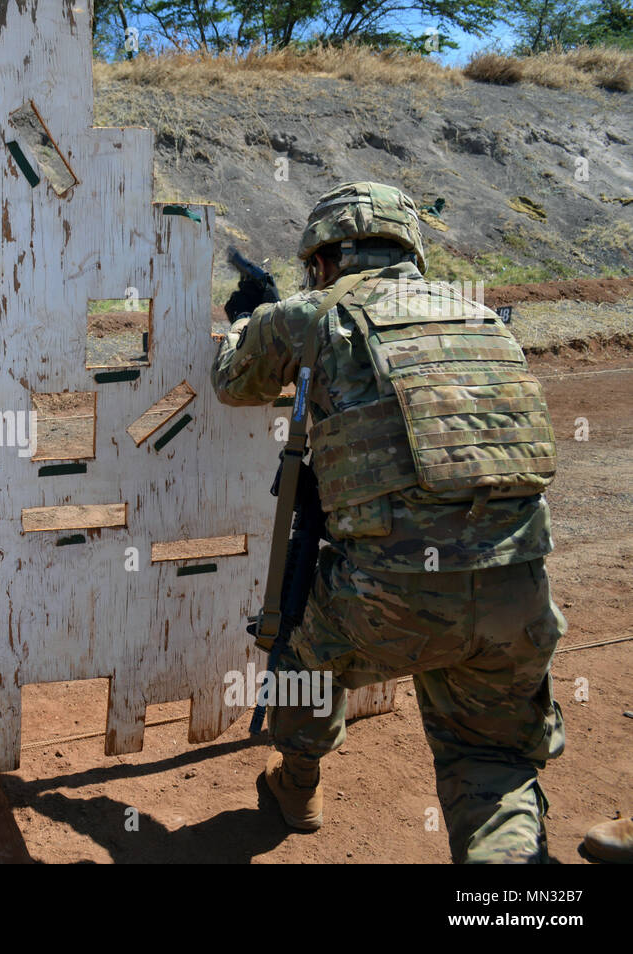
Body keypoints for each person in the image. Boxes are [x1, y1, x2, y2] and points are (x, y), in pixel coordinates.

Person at [211, 181, 565, 864]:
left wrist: (253, 318)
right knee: (489, 763)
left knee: (303, 653)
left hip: (386, 603)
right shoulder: (480, 318)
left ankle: (298, 783)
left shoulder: (311, 313)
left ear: (322, 261)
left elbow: (234, 379)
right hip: (517, 594)